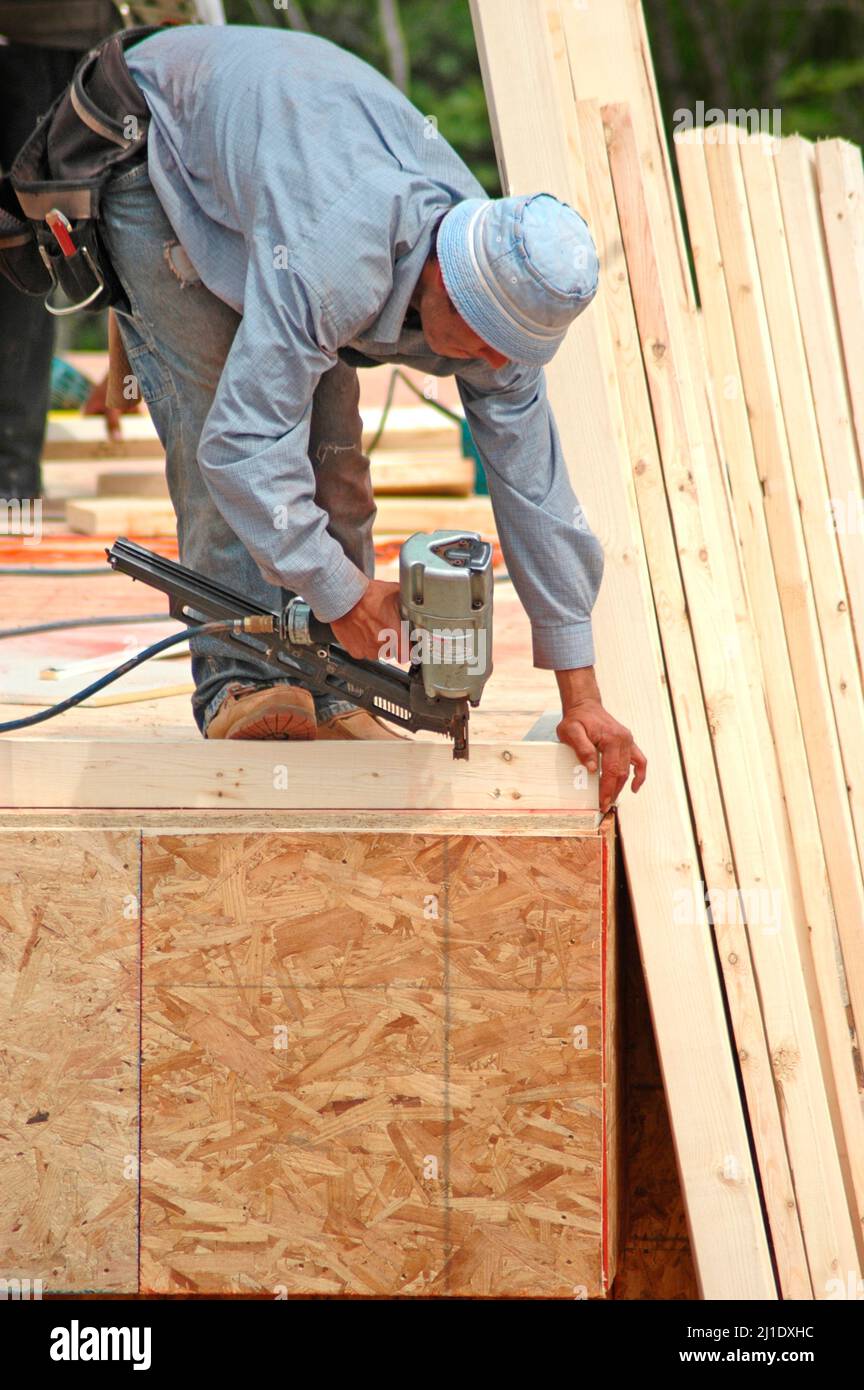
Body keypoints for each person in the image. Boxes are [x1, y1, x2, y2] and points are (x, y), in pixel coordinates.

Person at [99, 24, 645, 812]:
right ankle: (240, 684)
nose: (495, 369)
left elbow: (538, 496)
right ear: (444, 287)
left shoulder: (501, 314)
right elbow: (243, 446)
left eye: (515, 353)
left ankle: (333, 684)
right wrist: (349, 597)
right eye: (488, 347)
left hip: (290, 158)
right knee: (224, 402)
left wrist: (581, 694)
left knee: (334, 455)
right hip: (157, 143)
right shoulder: (337, 258)